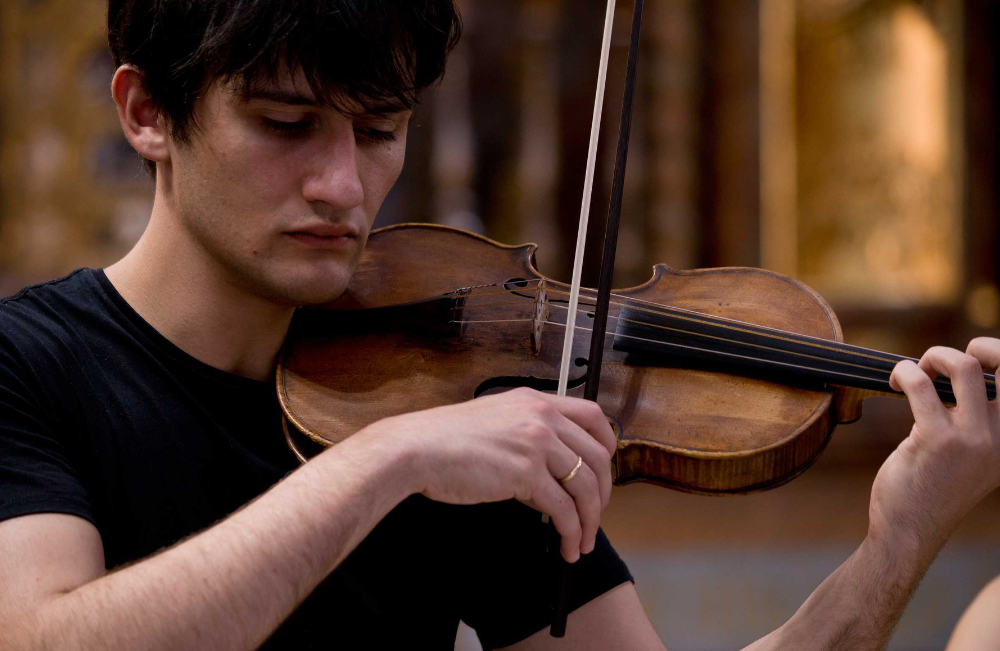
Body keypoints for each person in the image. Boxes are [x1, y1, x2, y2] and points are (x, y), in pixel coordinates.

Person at [0, 1, 997, 649]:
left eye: (380, 132)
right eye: (284, 125)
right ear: (145, 114)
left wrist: (897, 541)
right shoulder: (28, 366)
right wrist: (386, 463)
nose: (345, 186)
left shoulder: (463, 397)